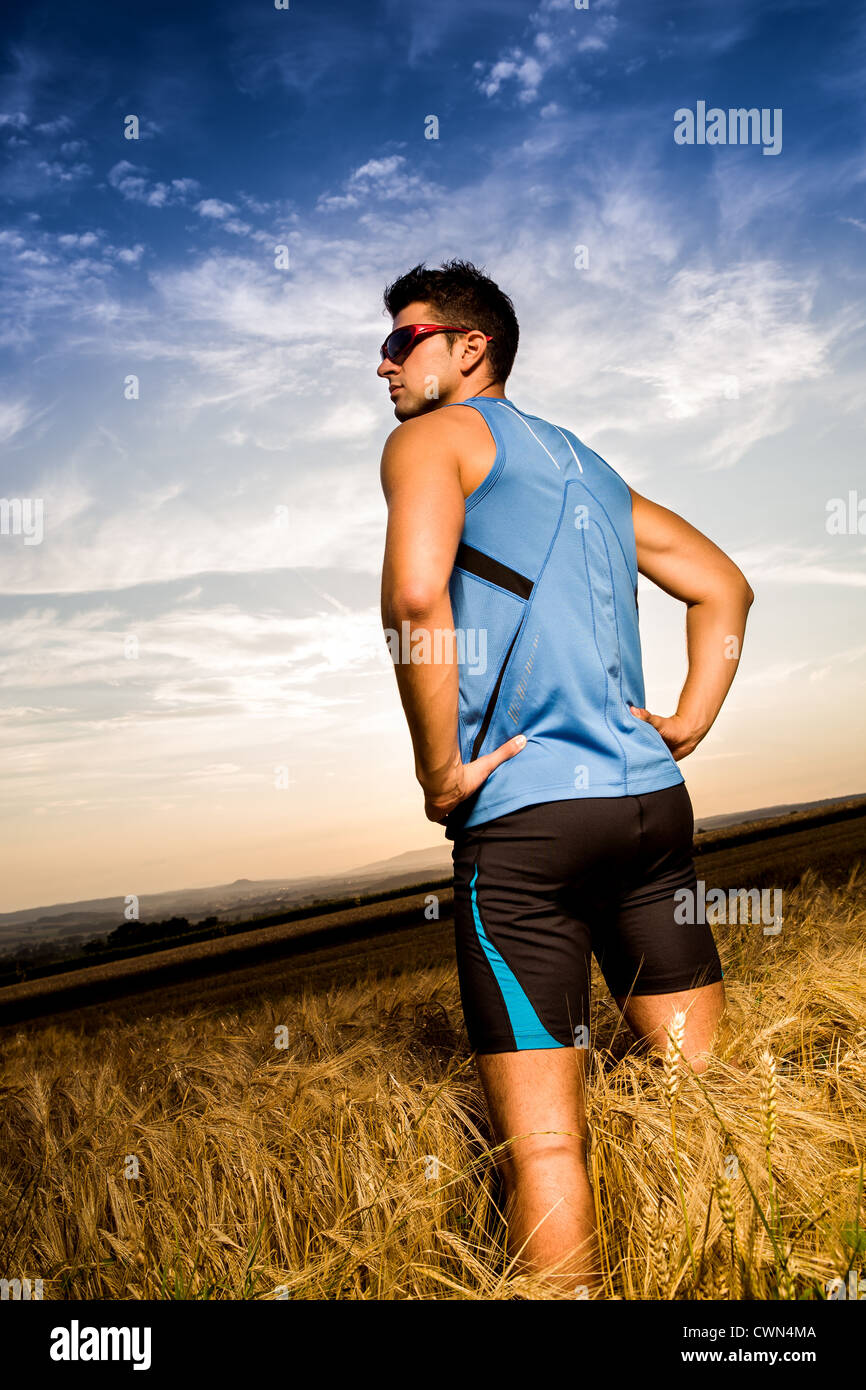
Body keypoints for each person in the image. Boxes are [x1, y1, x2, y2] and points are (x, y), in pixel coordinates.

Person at [377, 259, 754, 1294]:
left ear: (467, 348)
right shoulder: (587, 467)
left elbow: (416, 601)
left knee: (545, 1151)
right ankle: (730, 1298)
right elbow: (723, 588)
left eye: (403, 340)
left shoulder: (427, 441)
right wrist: (683, 721)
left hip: (528, 824)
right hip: (650, 810)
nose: (382, 364)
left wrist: (439, 769)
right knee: (699, 1099)